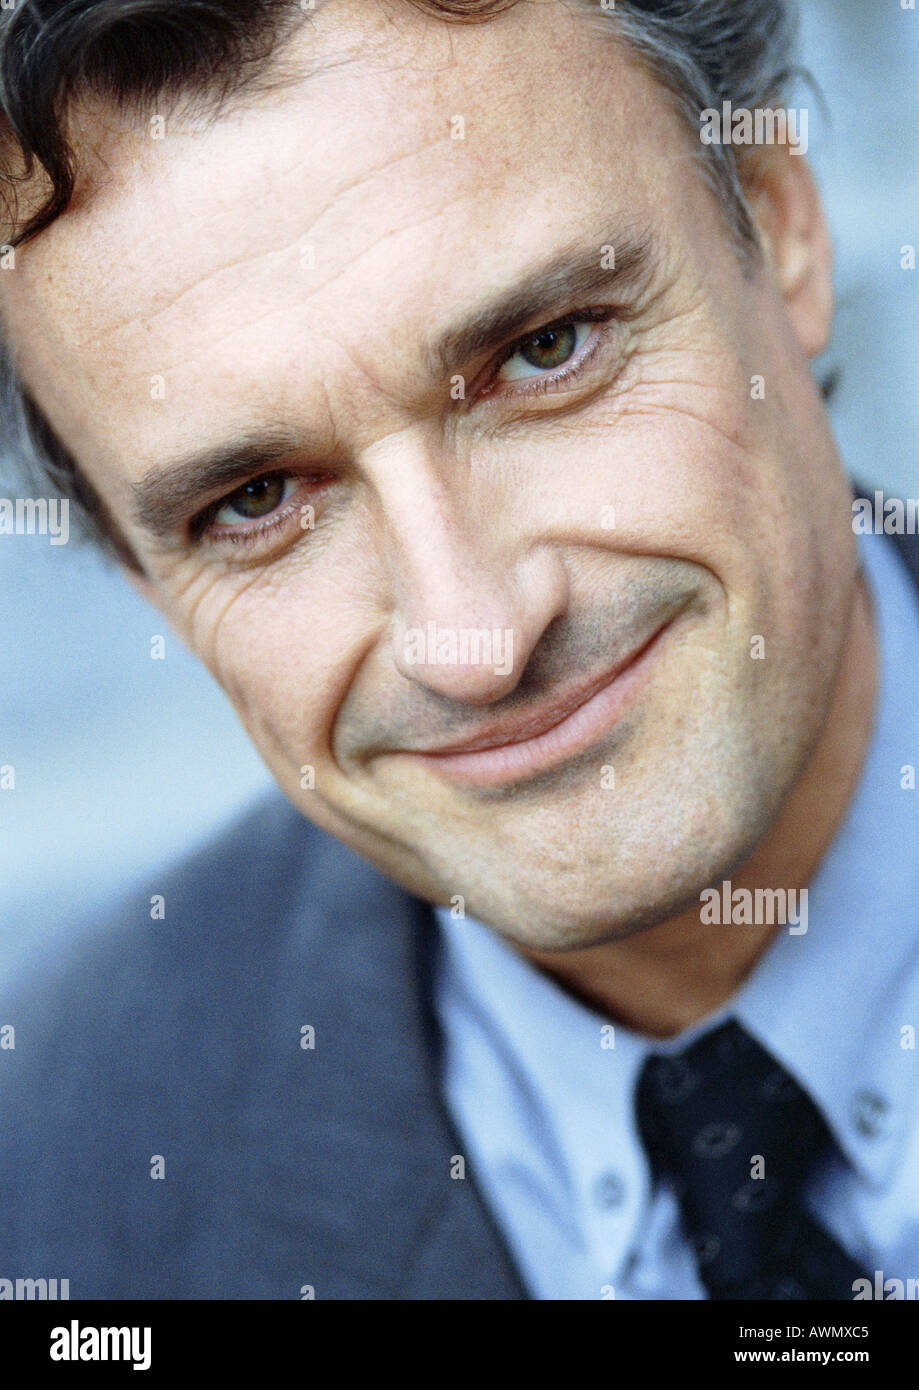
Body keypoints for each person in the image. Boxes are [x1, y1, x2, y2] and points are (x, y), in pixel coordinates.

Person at [1, 0, 917, 1301]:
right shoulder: (57, 1193)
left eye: (547, 351)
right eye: (255, 500)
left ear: (780, 226)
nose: (475, 638)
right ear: (152, 589)